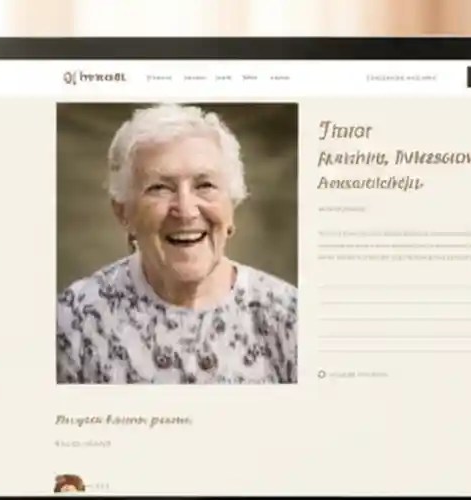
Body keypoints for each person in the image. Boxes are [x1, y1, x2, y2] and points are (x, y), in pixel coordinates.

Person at [56, 103, 297, 384]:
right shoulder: (75, 320)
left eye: (204, 185)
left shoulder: (288, 315)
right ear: (123, 211)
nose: (185, 210)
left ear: (231, 204)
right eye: (159, 188)